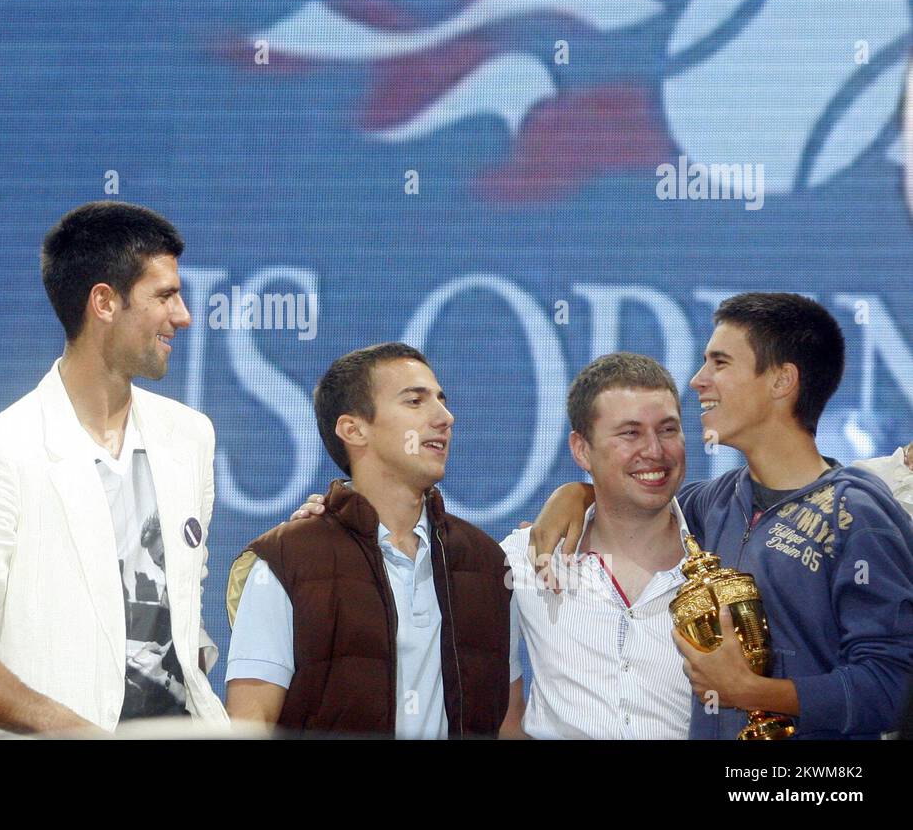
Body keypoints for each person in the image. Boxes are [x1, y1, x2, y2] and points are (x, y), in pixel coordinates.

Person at [0, 200, 228, 737]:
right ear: (104, 302)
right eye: (165, 295)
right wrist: (75, 731)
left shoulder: (190, 436)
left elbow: (180, 600)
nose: (183, 315)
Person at [531, 294, 913, 739]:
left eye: (720, 363)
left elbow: (892, 689)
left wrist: (752, 692)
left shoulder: (858, 513)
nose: (697, 381)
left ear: (781, 381)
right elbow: (630, 502)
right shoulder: (712, 503)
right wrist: (575, 494)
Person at [225, 343, 510, 737]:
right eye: (415, 401)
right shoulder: (285, 560)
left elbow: (508, 721)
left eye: (442, 401)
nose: (445, 418)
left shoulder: (487, 564)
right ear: (354, 430)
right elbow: (249, 723)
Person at [500, 353, 693, 739]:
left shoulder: (722, 557)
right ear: (582, 449)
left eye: (668, 429)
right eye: (630, 433)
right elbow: (503, 717)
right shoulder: (522, 559)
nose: (655, 450)